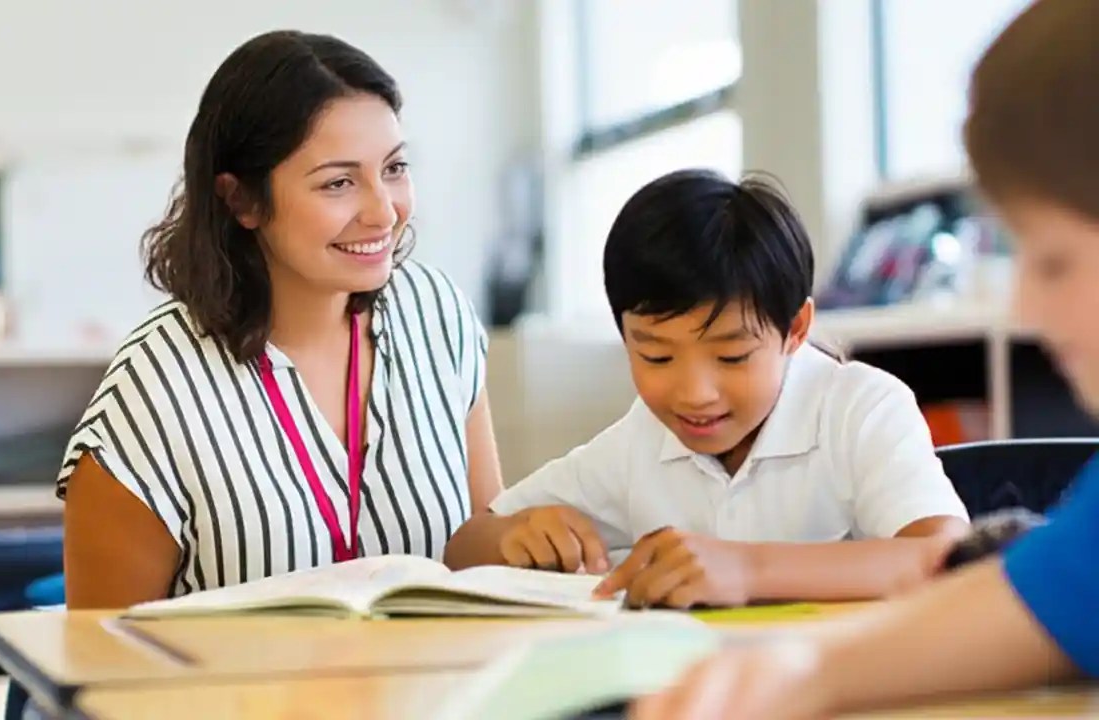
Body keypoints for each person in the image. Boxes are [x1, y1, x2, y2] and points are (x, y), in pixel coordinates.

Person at [633, 1, 1099, 716]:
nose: (1025, 308)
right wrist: (797, 673)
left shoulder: (860, 402)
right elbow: (1036, 604)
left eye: (1055, 262)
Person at [58, 31, 502, 608]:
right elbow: (98, 649)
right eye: (338, 183)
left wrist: (536, 539)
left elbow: (483, 556)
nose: (384, 211)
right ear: (241, 199)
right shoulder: (153, 386)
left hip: (440, 671)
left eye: (394, 168)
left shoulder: (436, 314)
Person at [445, 170, 968, 608]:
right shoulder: (639, 443)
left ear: (795, 329)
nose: (695, 393)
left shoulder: (861, 409)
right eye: (656, 356)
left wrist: (746, 569)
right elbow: (464, 546)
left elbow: (942, 556)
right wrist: (515, 536)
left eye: (732, 356)